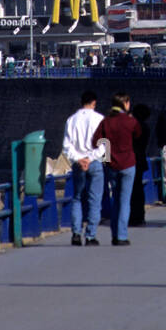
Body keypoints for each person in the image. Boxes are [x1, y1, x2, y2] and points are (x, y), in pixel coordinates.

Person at [91, 93, 141, 246]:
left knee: (115, 200)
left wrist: (108, 147)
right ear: (125, 103)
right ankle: (121, 235)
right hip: (128, 163)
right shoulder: (130, 121)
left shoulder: (106, 122)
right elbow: (139, 134)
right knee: (124, 200)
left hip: (111, 164)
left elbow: (95, 142)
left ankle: (115, 234)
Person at [63, 89, 105, 246]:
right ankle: (90, 236)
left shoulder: (71, 120)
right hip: (94, 163)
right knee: (95, 200)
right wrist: (90, 158)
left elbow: (67, 146)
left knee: (77, 198)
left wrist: (79, 160)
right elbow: (103, 146)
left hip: (78, 163)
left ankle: (75, 233)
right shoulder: (100, 119)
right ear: (94, 102)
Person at [128, 103, 151, 227]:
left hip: (130, 160)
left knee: (130, 190)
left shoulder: (134, 127)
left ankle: (132, 216)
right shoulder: (146, 127)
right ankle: (140, 215)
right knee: (139, 189)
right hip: (141, 160)